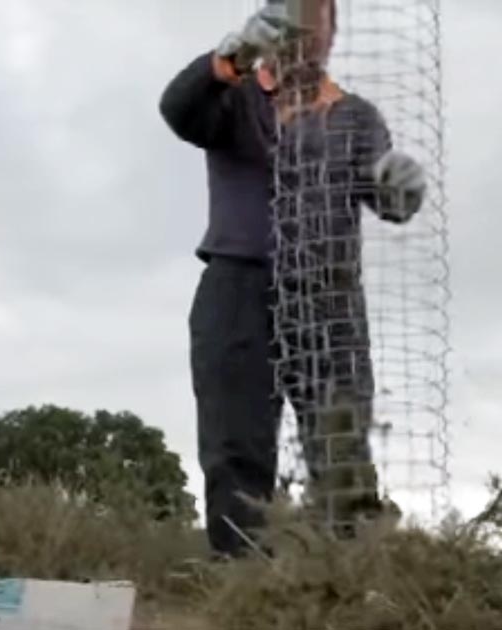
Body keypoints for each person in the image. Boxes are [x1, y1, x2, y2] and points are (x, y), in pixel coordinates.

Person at [159, 0, 426, 557]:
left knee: (341, 450)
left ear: (332, 35)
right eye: (296, 17)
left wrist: (400, 186)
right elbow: (178, 109)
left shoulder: (357, 116)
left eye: (319, 21)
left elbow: (391, 203)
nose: (308, 32)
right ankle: (244, 588)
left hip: (330, 303)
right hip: (239, 289)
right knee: (237, 452)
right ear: (271, 25)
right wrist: (231, 57)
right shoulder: (232, 101)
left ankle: (345, 588)